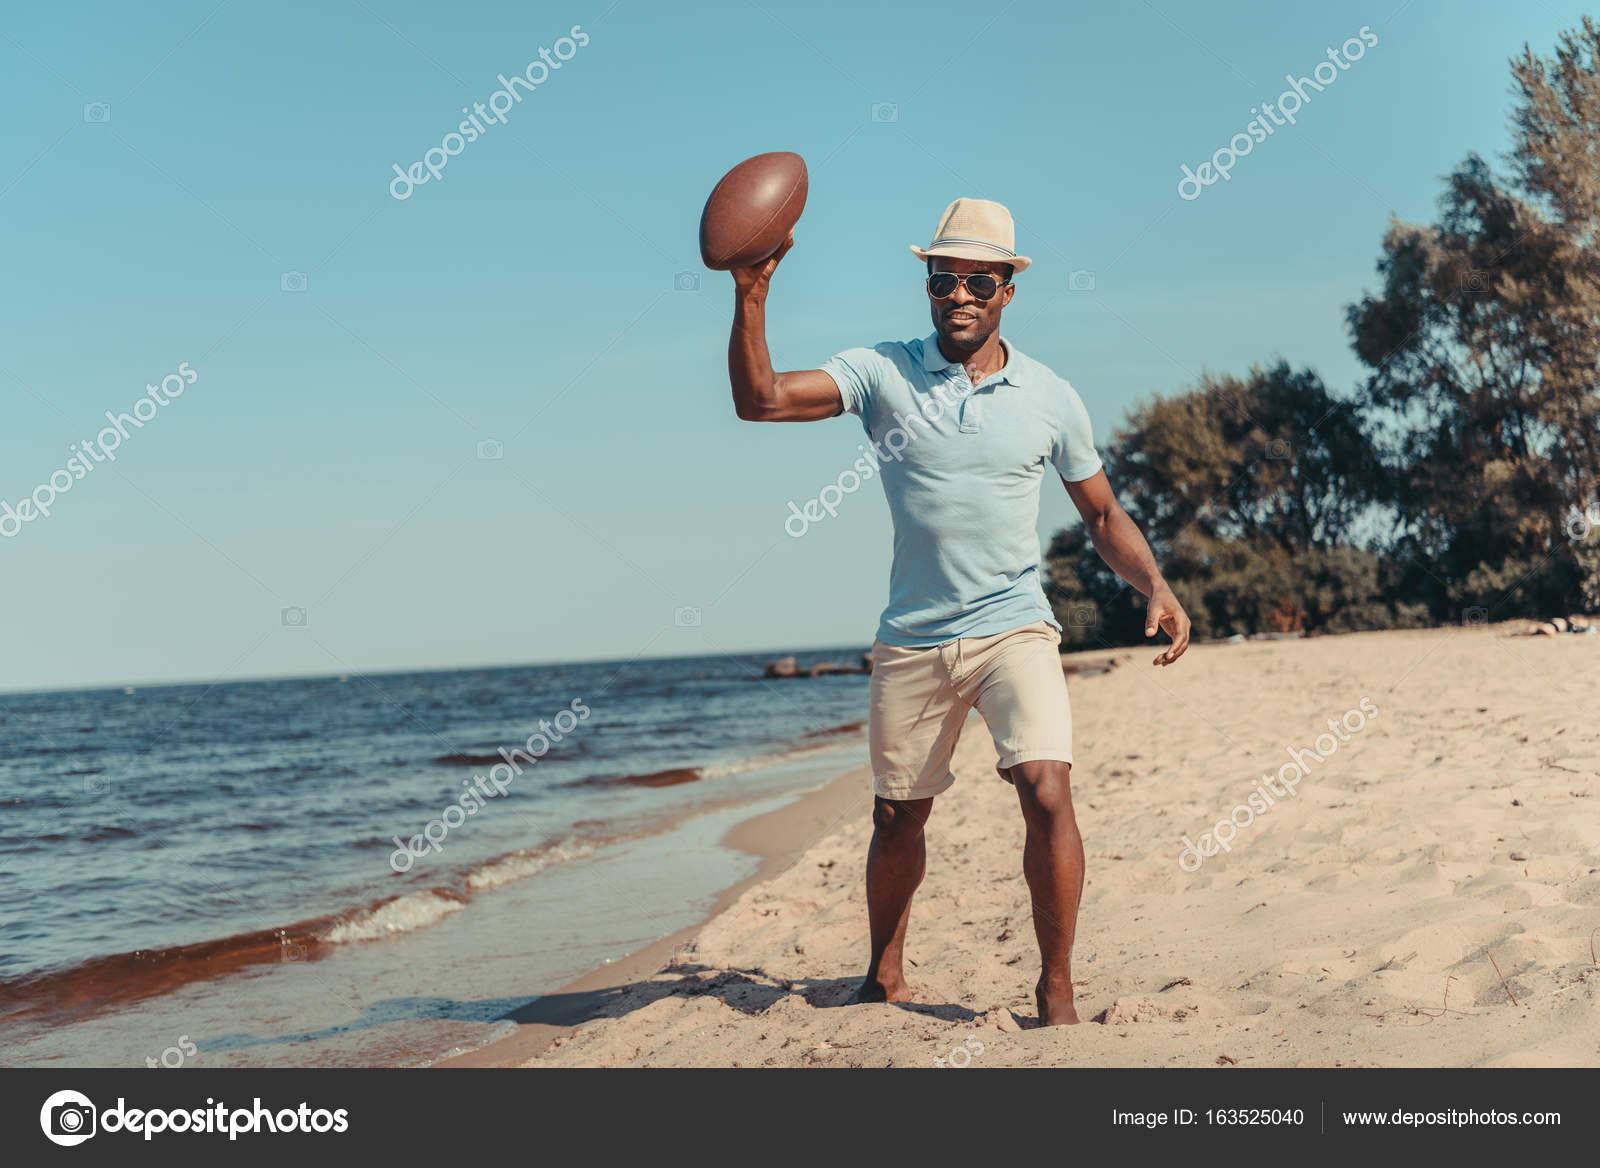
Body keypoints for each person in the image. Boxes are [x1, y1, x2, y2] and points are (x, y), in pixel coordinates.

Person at [726, 197, 1191, 1026]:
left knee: (1046, 786)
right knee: (897, 816)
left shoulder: (1050, 395)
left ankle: (1056, 989)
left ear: (1010, 287)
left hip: (1016, 624)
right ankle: (883, 975)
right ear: (929, 286)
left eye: (981, 279)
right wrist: (751, 293)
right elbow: (759, 400)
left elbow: (1102, 514)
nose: (962, 295)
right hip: (913, 636)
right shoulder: (880, 371)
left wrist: (1152, 583)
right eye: (946, 279)